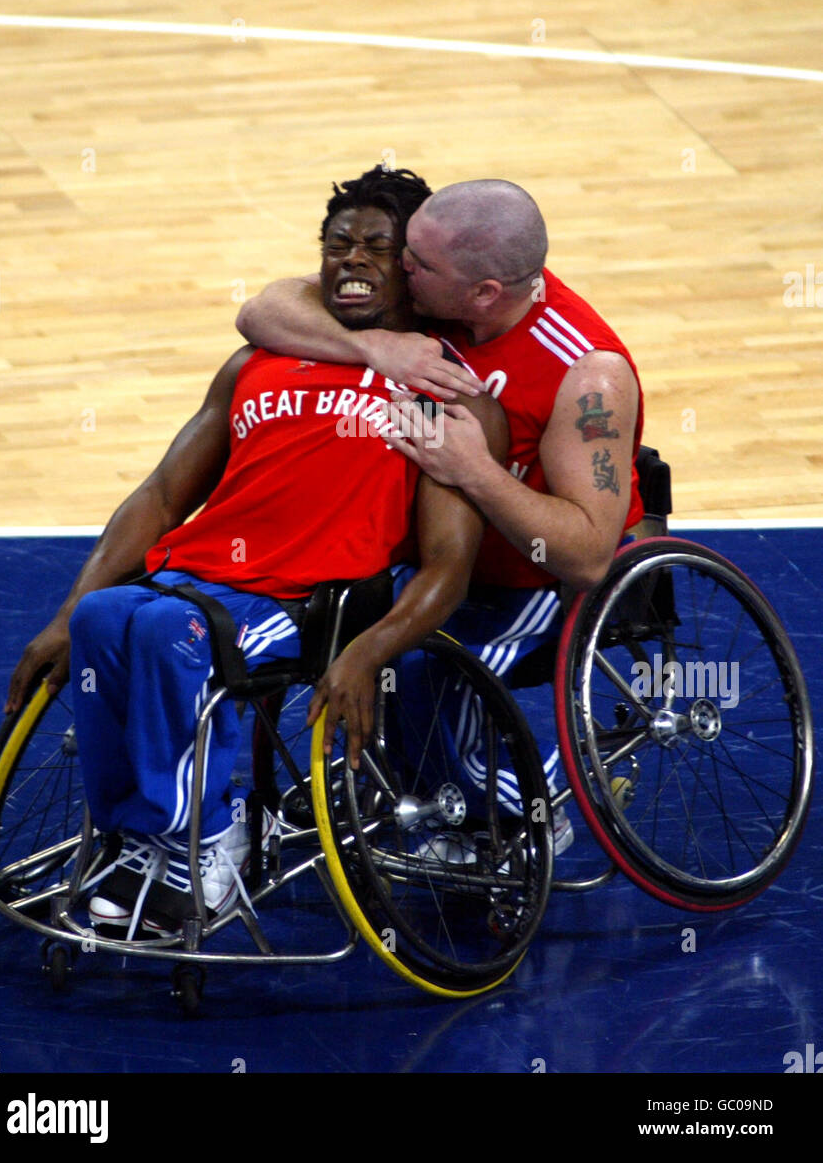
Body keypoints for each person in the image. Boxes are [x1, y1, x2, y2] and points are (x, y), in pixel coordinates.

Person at [5, 166, 506, 937]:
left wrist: (371, 651)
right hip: (193, 571)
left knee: (178, 639)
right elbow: (161, 497)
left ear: (412, 270)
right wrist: (66, 611)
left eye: (379, 246)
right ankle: (140, 841)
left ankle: (208, 845)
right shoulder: (258, 361)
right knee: (105, 620)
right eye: (339, 244)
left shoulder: (443, 391)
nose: (354, 260)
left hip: (300, 598)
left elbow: (447, 565)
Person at [235, 178, 645, 839]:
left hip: (527, 577)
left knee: (416, 656)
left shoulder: (588, 375)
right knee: (326, 614)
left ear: (484, 292)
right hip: (425, 551)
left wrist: (476, 473)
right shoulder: (444, 283)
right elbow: (264, 309)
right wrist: (375, 346)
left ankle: (521, 806)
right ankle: (380, 774)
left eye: (415, 264)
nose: (398, 268)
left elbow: (590, 553)